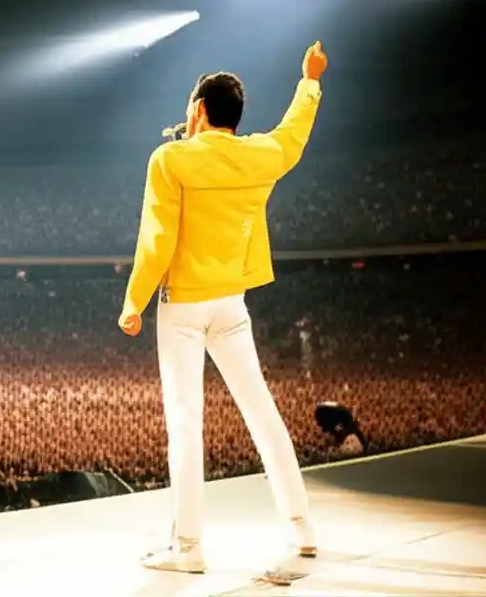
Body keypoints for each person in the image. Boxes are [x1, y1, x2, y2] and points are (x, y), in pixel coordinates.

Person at [118, 41, 329, 574]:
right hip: (232, 302)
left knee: (186, 423)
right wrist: (309, 81)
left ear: (199, 109)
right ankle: (301, 528)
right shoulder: (260, 154)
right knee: (262, 413)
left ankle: (188, 549)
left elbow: (157, 237)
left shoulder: (170, 158)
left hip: (184, 304)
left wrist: (133, 299)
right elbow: (293, 134)